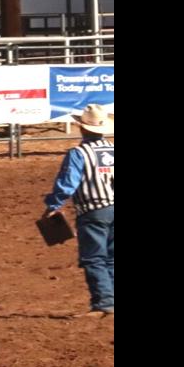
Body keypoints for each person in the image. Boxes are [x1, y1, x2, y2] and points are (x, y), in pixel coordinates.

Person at [41, 104, 115, 318]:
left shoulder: (78, 153)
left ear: (82, 128)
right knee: (111, 257)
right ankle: (109, 300)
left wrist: (52, 206)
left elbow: (67, 184)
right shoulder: (112, 150)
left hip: (92, 210)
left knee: (93, 257)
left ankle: (104, 303)